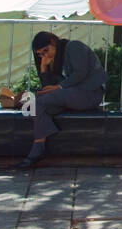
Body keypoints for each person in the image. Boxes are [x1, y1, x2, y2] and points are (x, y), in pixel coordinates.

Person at [18, 31, 108, 169]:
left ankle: (38, 148)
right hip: (71, 96)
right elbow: (47, 87)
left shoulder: (73, 47)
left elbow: (81, 72)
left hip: (90, 93)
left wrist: (59, 87)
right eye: (40, 54)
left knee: (40, 102)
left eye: (46, 50)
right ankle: (45, 140)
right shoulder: (53, 60)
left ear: (54, 42)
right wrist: (44, 68)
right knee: (39, 103)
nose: (45, 55)